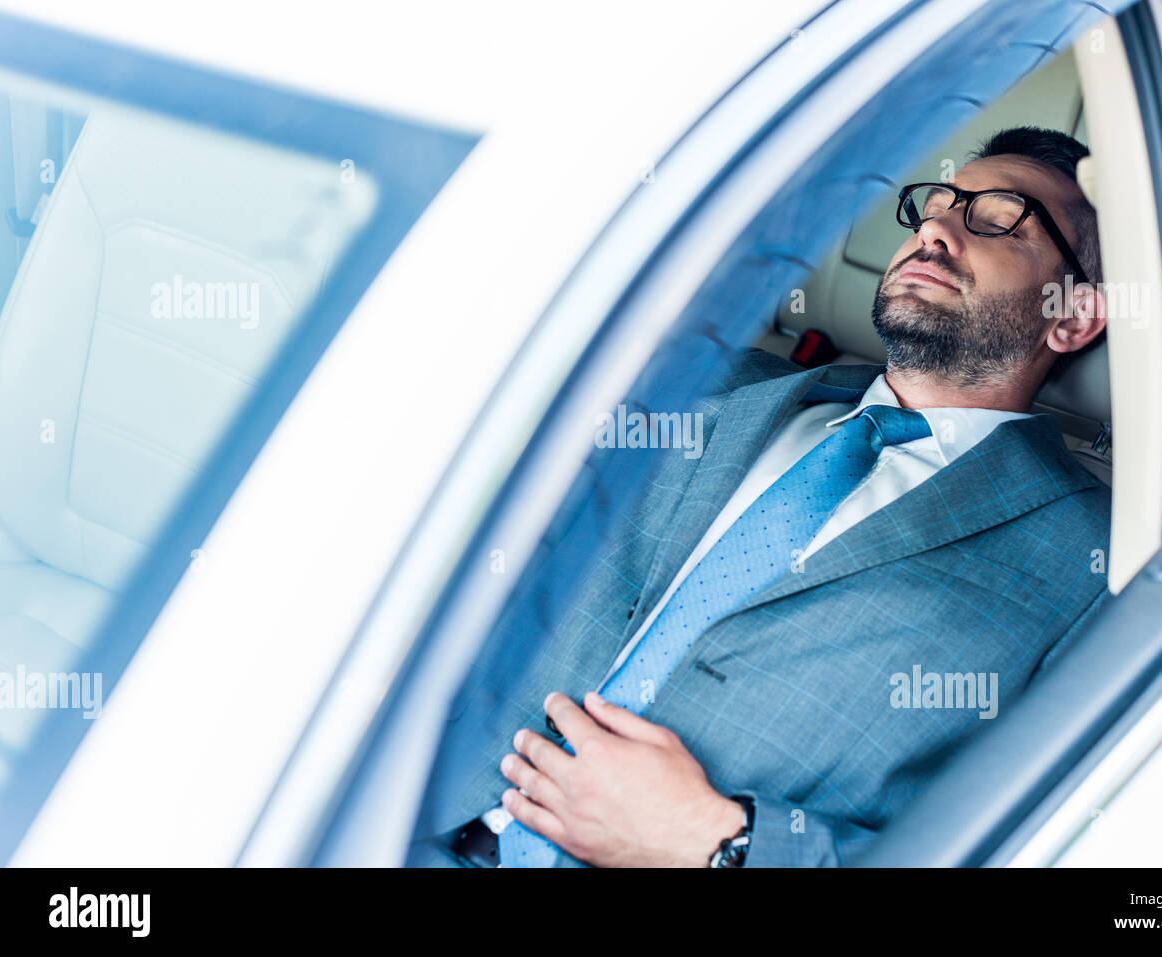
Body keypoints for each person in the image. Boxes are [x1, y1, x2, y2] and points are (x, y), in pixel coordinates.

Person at [410, 126, 1111, 867]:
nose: (935, 228)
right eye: (933, 204)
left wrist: (721, 843)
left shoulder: (1093, 566)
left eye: (998, 216)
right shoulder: (703, 380)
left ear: (1073, 314)